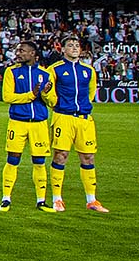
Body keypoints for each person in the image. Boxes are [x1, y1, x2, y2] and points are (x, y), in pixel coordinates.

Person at [46, 36, 108, 212]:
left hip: (84, 119)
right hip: (63, 117)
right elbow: (49, 92)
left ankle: (92, 200)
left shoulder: (88, 70)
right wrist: (58, 104)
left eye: (76, 45)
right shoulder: (55, 69)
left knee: (88, 157)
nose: (74, 48)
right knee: (60, 155)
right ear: (62, 50)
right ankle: (57, 199)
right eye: (70, 45)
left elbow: (90, 92)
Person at [0, 40, 55, 212]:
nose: (18, 53)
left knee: (39, 161)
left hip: (39, 124)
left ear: (32, 54)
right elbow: (8, 97)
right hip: (18, 122)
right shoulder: (12, 72)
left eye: (22, 51)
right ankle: (6, 199)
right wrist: (31, 95)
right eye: (18, 50)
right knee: (12, 159)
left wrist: (44, 94)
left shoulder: (45, 74)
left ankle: (41, 201)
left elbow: (53, 101)